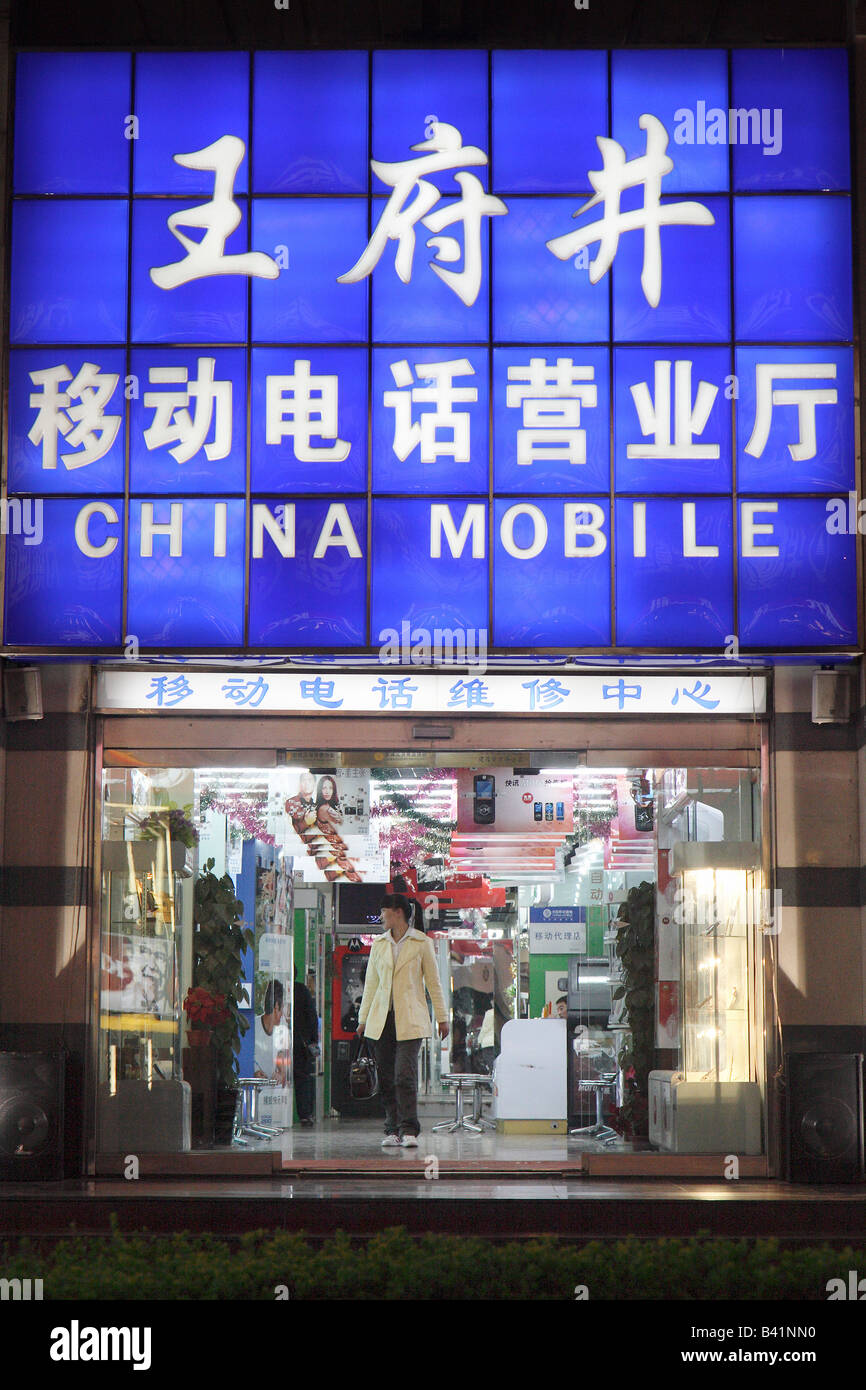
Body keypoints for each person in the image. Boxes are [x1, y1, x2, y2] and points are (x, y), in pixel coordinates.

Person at [357, 893, 449, 1148]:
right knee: (386, 1076)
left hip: (411, 1019)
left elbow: (434, 983)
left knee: (403, 1075)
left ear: (397, 912)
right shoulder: (379, 945)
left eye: (384, 911)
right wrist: (363, 1019)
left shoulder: (421, 943)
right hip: (381, 1020)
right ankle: (392, 1129)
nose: (382, 917)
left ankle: (409, 1128)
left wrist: (442, 1018)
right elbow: (371, 986)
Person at [293, 967, 319, 1126]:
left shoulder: (278, 989)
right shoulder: (301, 990)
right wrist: (313, 1040)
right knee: (303, 1078)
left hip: (286, 1042)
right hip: (302, 1044)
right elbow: (312, 1016)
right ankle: (305, 1114)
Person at [255, 979, 284, 1080]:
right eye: (282, 1009)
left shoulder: (280, 1032)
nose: (282, 1014)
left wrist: (280, 1075)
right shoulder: (253, 1028)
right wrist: (254, 1072)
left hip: (272, 1093)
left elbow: (282, 1068)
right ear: (276, 1006)